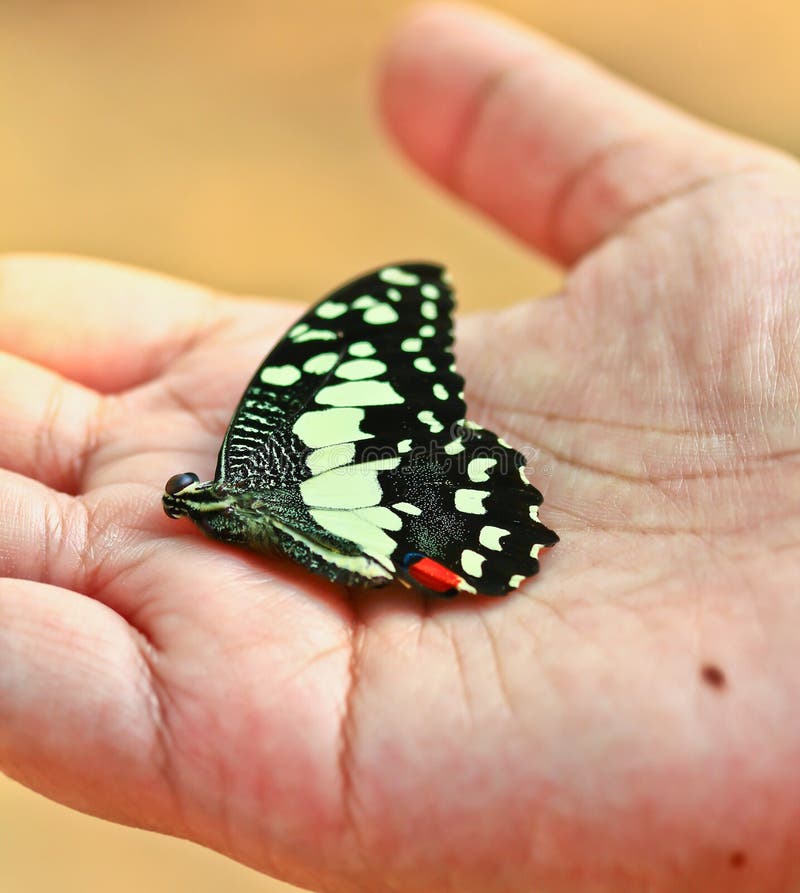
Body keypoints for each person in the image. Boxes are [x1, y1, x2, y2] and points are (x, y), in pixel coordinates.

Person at [1, 4, 798, 891]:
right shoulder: (249, 467)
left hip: (406, 505)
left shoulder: (260, 450)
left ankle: (441, 557)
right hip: (377, 512)